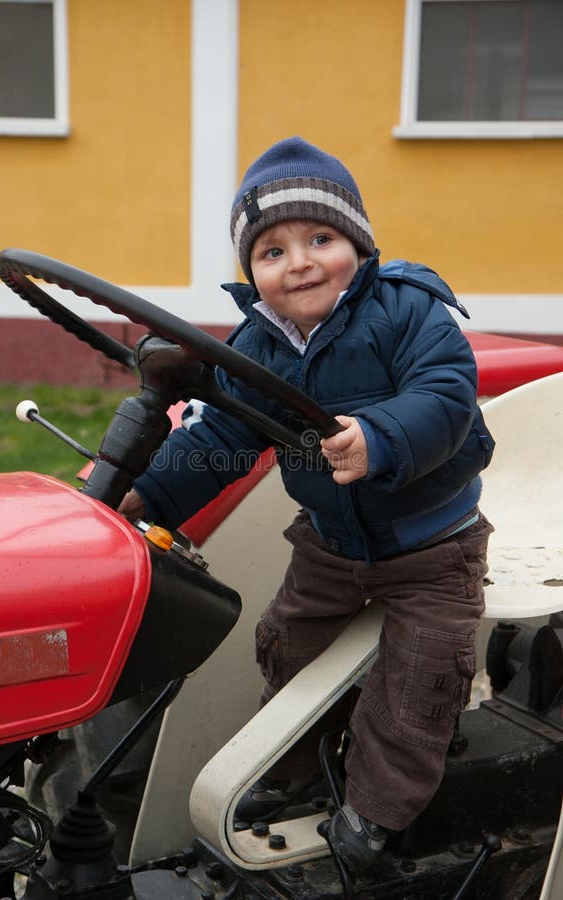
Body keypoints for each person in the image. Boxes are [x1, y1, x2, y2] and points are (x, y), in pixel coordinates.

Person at [118, 136, 495, 875]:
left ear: (357, 241)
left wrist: (380, 436)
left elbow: (446, 396)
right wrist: (150, 497)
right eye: (272, 250)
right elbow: (220, 433)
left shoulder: (407, 311)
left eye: (320, 238)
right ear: (252, 273)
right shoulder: (257, 345)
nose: (299, 261)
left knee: (417, 684)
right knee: (287, 646)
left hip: (432, 546)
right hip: (328, 543)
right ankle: (291, 772)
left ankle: (376, 818)